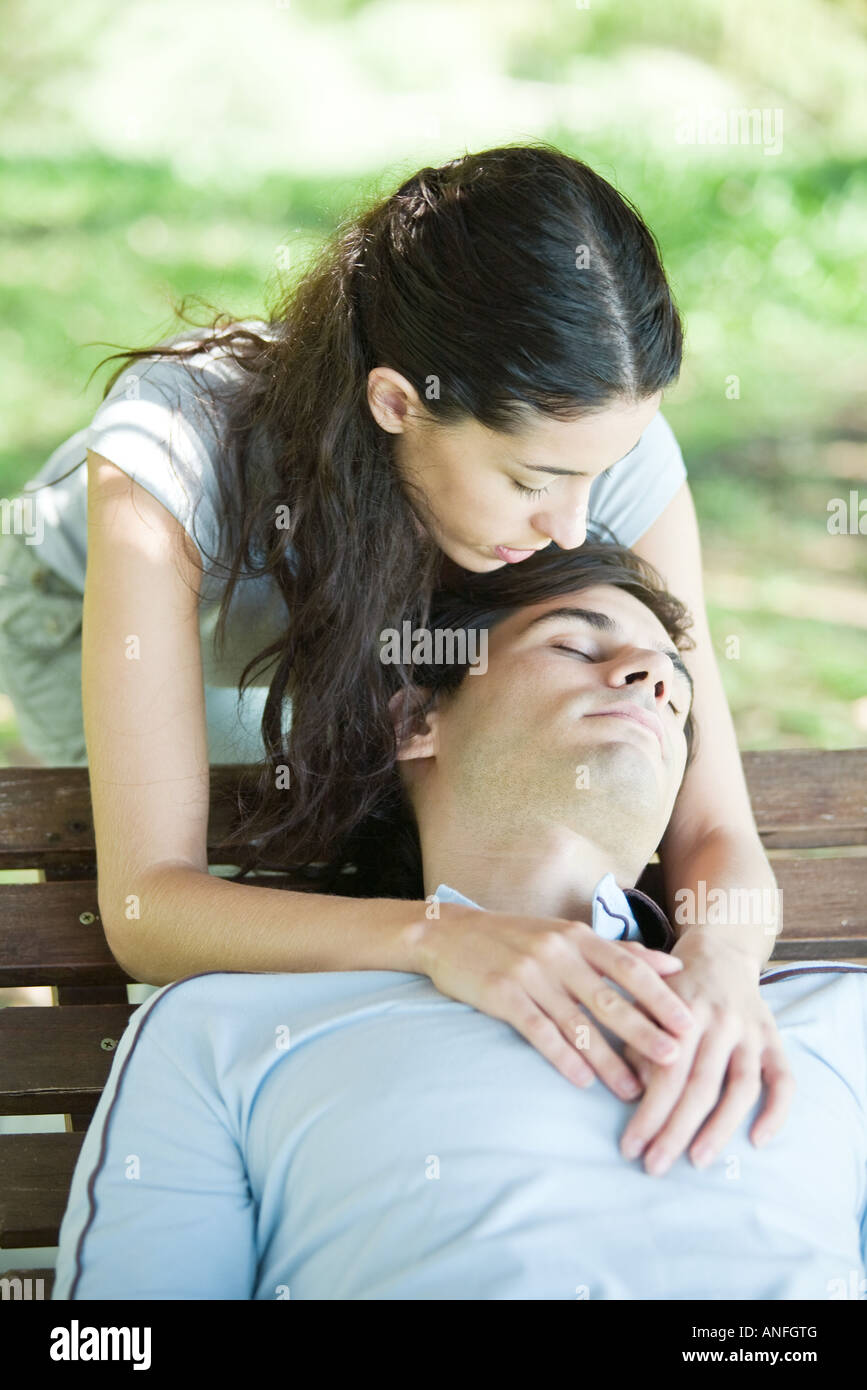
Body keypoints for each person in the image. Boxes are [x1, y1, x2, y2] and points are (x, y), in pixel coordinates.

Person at [1, 143, 785, 1174]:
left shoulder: (586, 445)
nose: (573, 527)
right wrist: (433, 936)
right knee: (259, 909)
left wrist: (722, 959)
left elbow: (716, 823)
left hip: (399, 587)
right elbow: (151, 904)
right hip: (143, 615)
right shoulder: (173, 452)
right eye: (533, 479)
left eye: (601, 473)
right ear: (396, 404)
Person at [51, 544, 865, 1301]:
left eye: (674, 690)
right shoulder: (222, 1027)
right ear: (413, 722)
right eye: (575, 648)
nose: (653, 676)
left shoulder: (838, 1022)